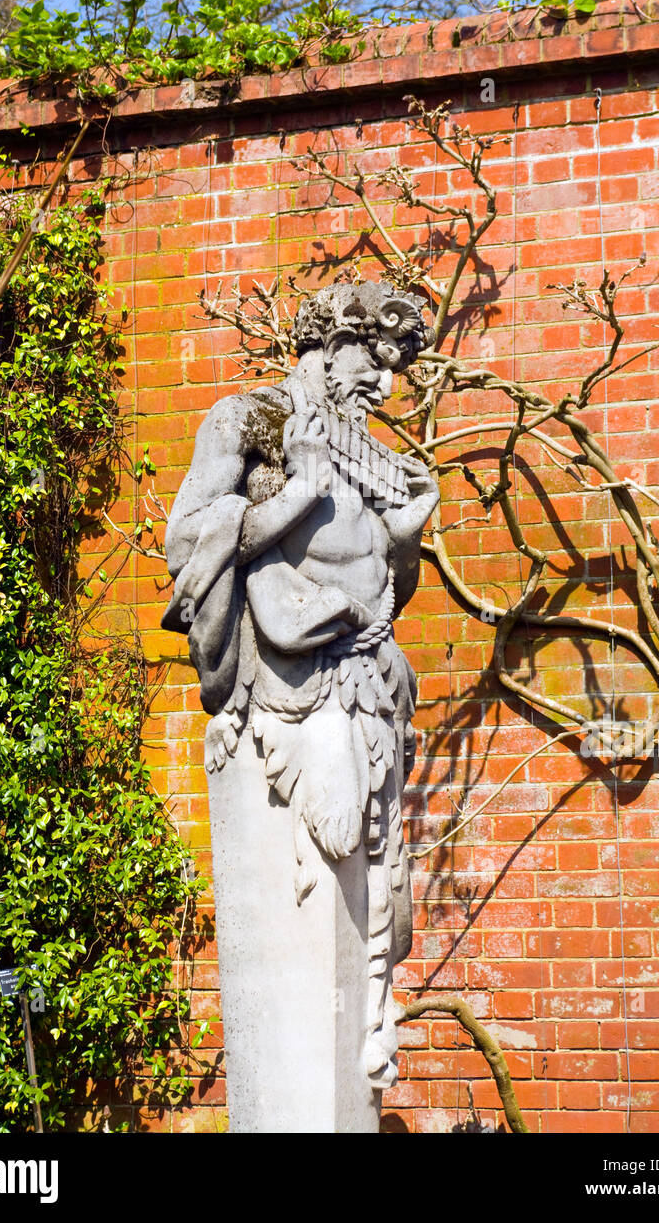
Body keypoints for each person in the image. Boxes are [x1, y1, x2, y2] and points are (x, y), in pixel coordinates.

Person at [163, 279, 438, 1099]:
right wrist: (296, 494)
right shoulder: (249, 420)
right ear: (333, 343)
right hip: (289, 699)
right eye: (376, 361)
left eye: (396, 370)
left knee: (382, 899)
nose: (384, 386)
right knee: (316, 881)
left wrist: (407, 537)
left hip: (369, 689)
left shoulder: (371, 456)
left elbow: (381, 582)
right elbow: (187, 549)